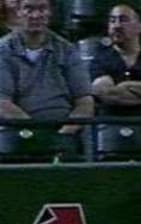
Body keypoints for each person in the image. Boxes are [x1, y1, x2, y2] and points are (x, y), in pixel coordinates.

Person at [0, 0, 93, 148]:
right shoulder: (3, 51)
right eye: (28, 9)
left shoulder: (67, 50)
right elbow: (2, 103)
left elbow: (84, 102)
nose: (35, 15)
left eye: (42, 9)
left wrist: (64, 133)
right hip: (18, 132)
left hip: (65, 133)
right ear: (18, 11)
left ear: (50, 12)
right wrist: (38, 133)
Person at [89, 4, 141, 147]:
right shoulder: (99, 60)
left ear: (140, 27)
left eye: (123, 20)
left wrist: (126, 85)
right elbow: (108, 94)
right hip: (113, 128)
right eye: (112, 20)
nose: (116, 25)